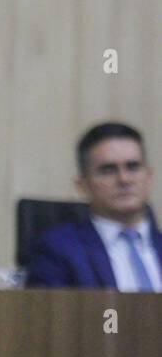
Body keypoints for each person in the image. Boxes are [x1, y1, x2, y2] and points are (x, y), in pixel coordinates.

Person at [26, 122, 159, 290]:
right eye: (108, 170)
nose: (124, 179)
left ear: (148, 176)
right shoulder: (57, 251)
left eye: (133, 167)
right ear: (82, 185)